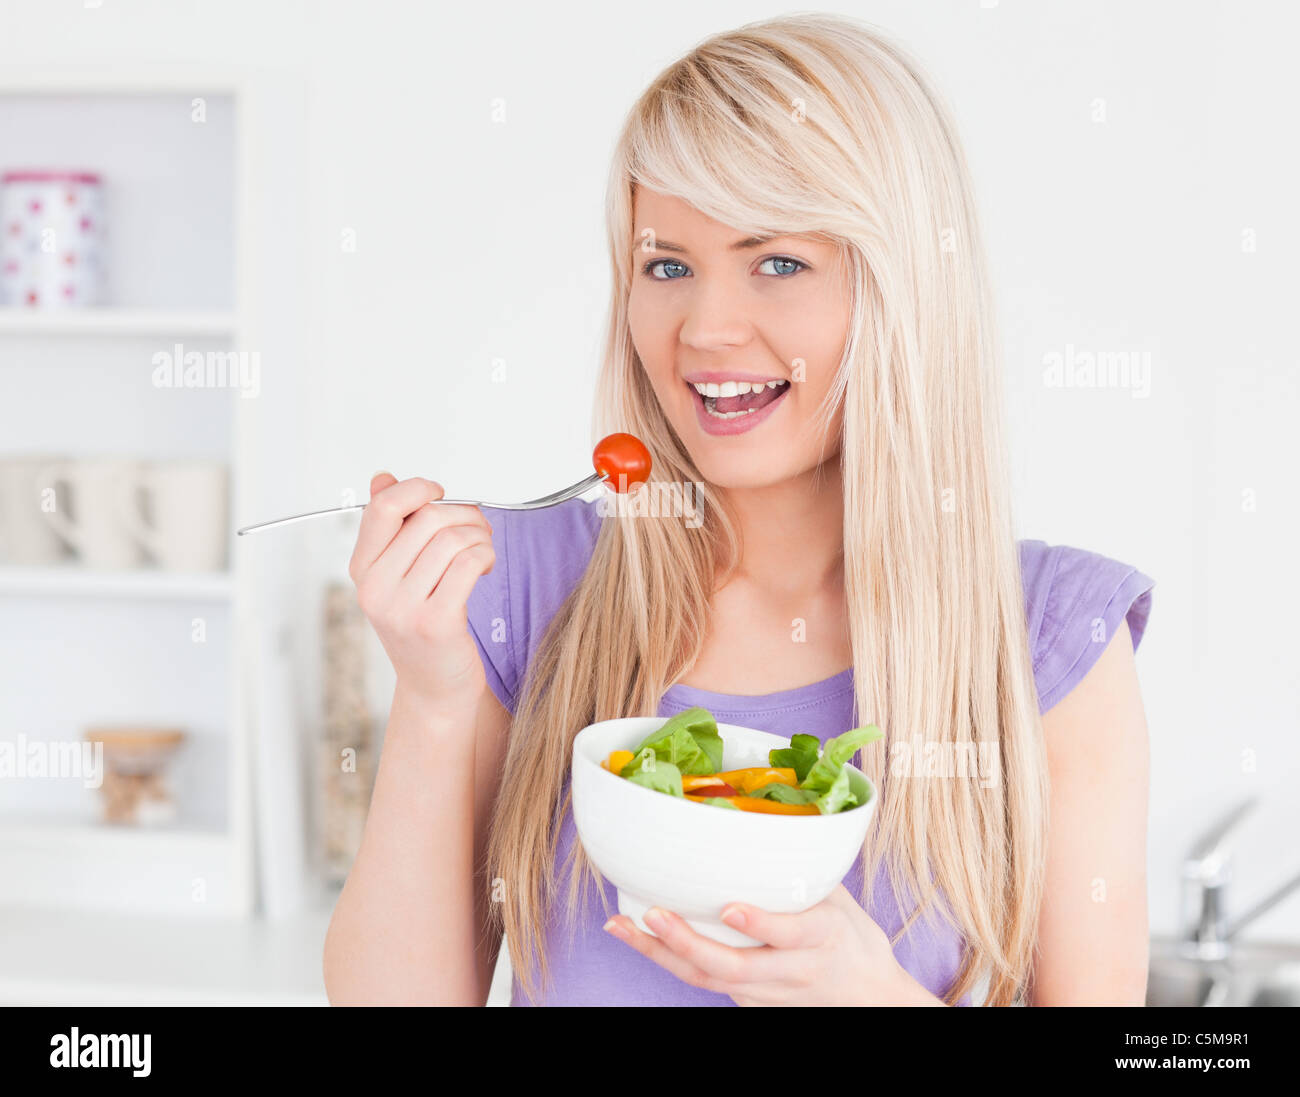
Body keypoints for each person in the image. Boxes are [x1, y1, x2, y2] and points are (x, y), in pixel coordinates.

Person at [323, 12, 1155, 1006]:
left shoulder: (1048, 636)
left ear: (901, 290)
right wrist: (429, 697)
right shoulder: (529, 588)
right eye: (665, 265)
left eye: (777, 262)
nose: (706, 328)